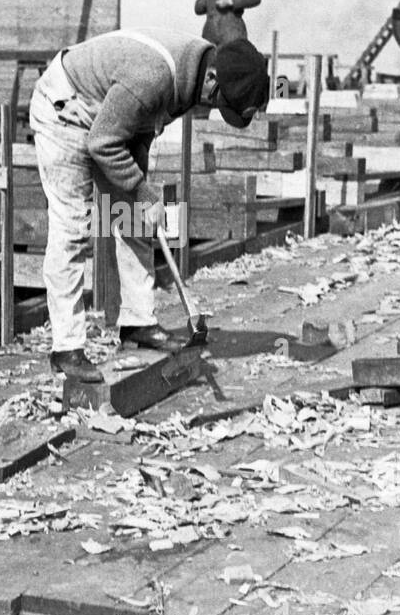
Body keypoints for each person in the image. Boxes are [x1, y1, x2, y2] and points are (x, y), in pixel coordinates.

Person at [30, 28, 269, 381]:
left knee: (135, 220)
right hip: (65, 113)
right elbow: (103, 142)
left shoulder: (194, 77)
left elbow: (139, 126)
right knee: (73, 229)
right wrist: (143, 192)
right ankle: (66, 348)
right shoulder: (155, 76)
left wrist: (140, 196)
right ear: (213, 78)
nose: (212, 108)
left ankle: (138, 324)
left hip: (105, 120)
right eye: (218, 102)